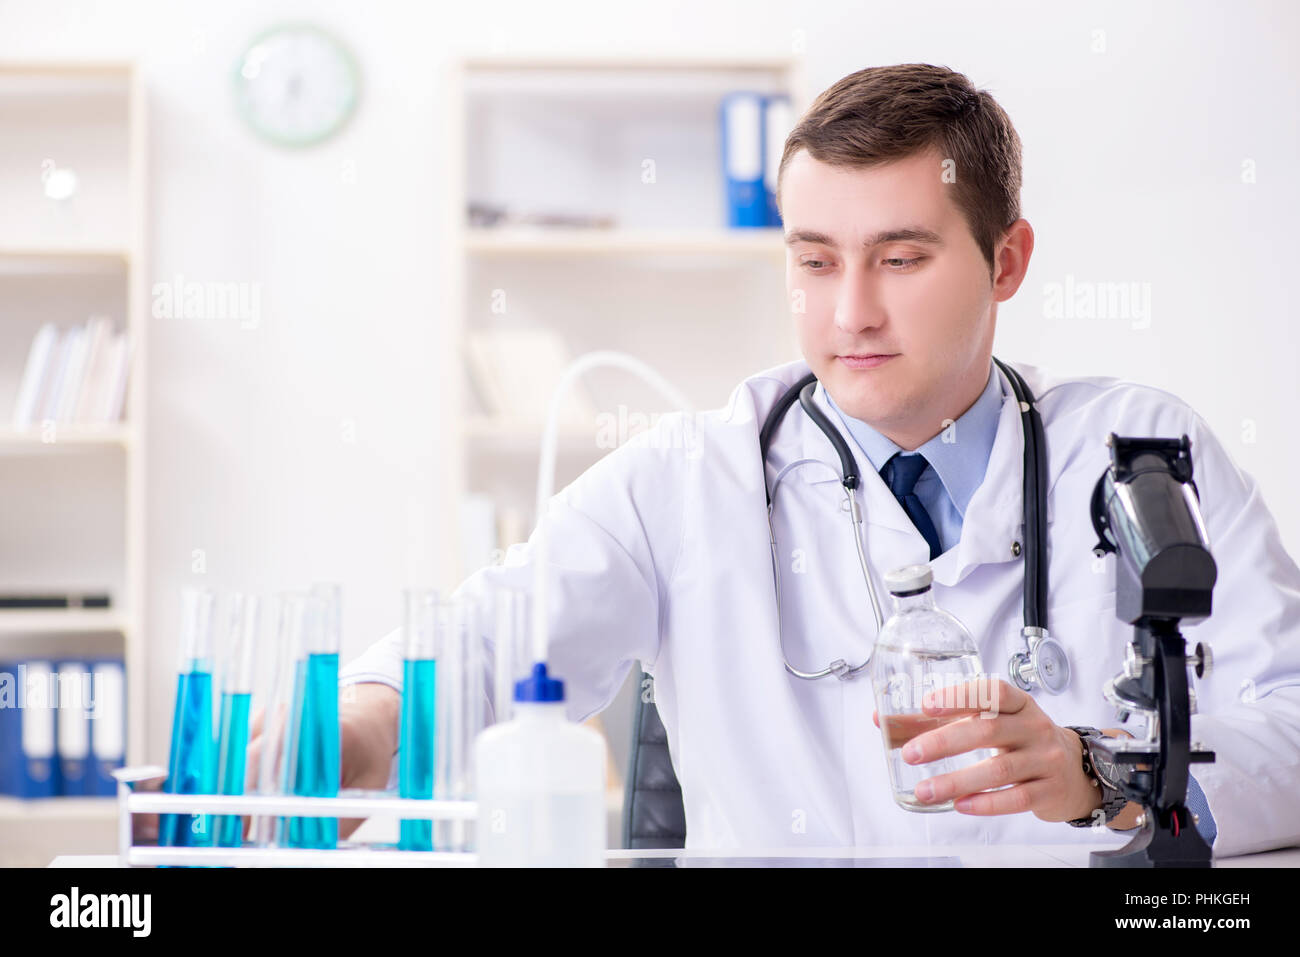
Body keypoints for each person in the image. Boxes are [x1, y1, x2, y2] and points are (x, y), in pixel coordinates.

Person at [320, 63, 1300, 856]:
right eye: (814, 259)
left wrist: (1101, 771)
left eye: (901, 258)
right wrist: (343, 740)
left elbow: (1289, 724)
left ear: (1005, 261)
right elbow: (482, 647)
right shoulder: (688, 478)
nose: (849, 313)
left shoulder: (1135, 455)